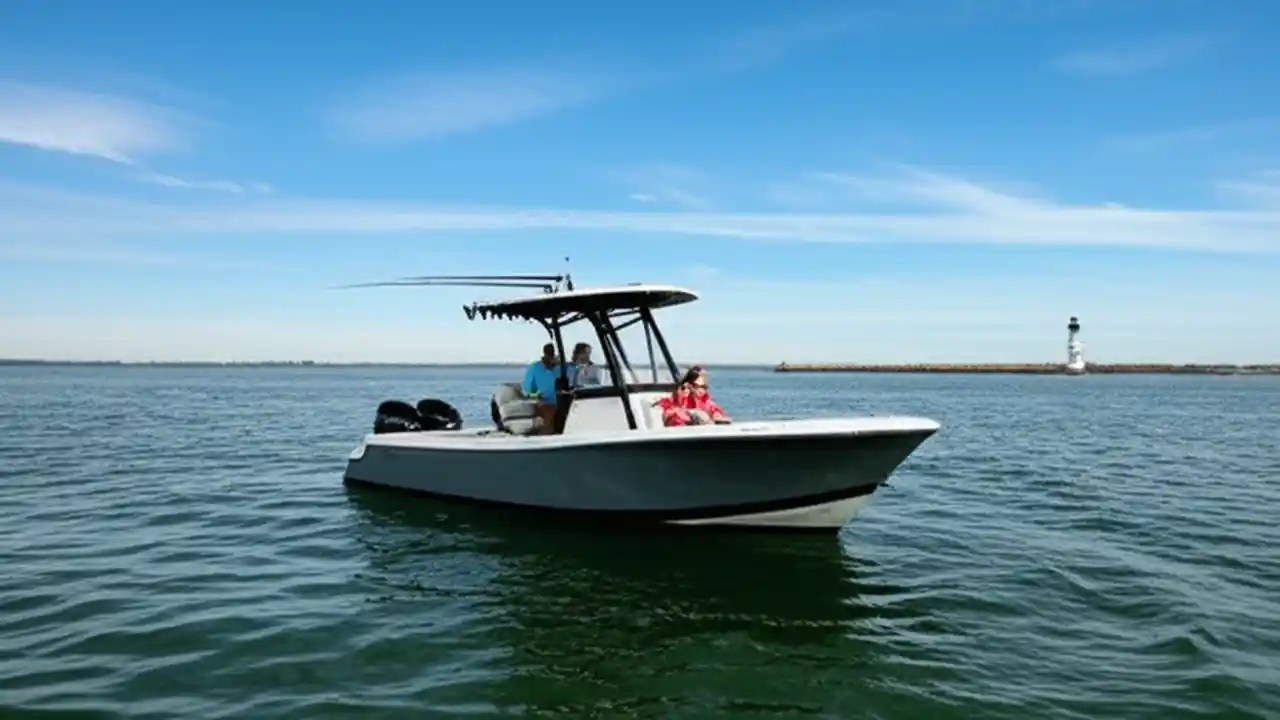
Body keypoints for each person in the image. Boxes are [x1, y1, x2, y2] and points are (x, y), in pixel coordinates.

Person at [522, 342, 561, 433]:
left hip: (563, 402)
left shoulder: (562, 367)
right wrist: (535, 395)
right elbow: (527, 390)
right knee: (549, 411)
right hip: (543, 402)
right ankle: (545, 437)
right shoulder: (535, 367)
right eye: (549, 352)